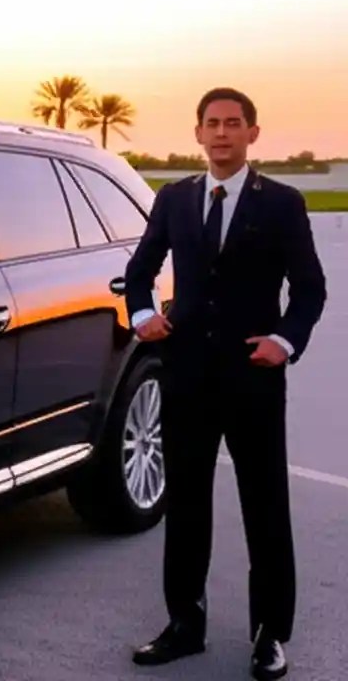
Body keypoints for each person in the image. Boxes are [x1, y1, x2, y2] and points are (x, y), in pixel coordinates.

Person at [123, 87, 326, 680]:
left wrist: (283, 342)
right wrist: (143, 315)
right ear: (198, 134)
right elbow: (139, 271)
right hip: (186, 376)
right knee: (185, 505)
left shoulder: (282, 203)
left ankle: (270, 635)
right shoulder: (175, 200)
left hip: (253, 378)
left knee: (265, 507)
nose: (221, 133)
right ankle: (185, 623)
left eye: (233, 124)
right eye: (211, 124)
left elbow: (309, 288)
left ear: (252, 135)